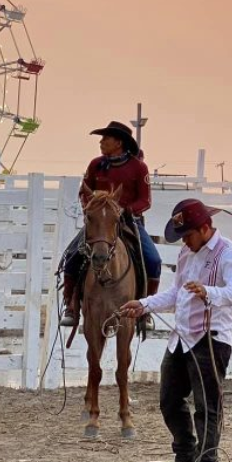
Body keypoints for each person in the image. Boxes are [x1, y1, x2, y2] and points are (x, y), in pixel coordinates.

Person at [119, 199, 232, 462]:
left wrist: (209, 292)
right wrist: (145, 304)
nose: (185, 241)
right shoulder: (188, 252)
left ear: (204, 228)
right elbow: (176, 292)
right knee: (169, 400)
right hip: (182, 337)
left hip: (211, 339)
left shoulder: (228, 252)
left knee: (207, 406)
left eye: (188, 235)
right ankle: (185, 457)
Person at [59, 121, 162, 327]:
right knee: (71, 255)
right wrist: (91, 208)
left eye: (106, 138)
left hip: (128, 222)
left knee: (153, 260)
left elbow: (146, 201)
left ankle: (145, 309)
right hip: (98, 223)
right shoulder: (95, 164)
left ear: (119, 142)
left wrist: (124, 210)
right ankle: (71, 305)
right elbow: (84, 191)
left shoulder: (138, 167)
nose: (101, 141)